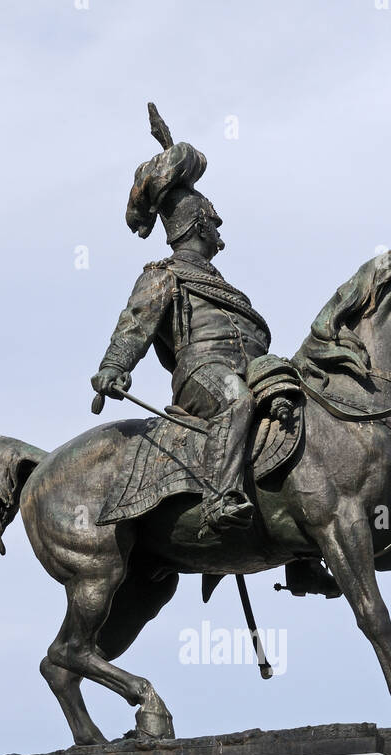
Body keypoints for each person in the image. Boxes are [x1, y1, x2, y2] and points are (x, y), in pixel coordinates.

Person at [91, 104, 272, 538]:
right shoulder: (163, 276)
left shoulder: (221, 283)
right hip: (204, 373)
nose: (220, 225)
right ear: (196, 224)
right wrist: (114, 367)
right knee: (238, 402)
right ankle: (222, 498)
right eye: (212, 219)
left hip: (254, 369)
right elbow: (136, 323)